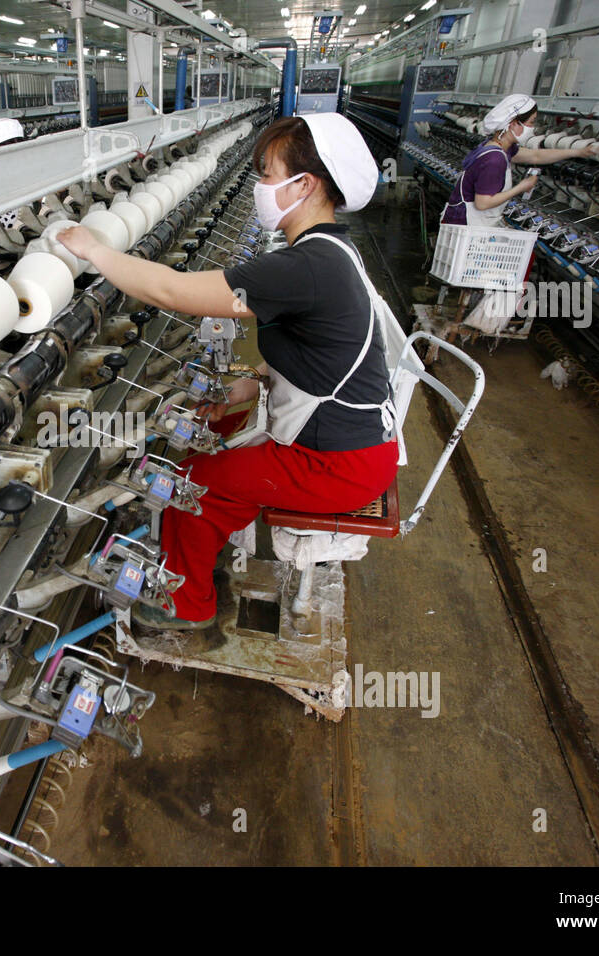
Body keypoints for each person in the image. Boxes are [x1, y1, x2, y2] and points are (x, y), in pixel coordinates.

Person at [57, 113, 398, 629]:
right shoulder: (329, 250)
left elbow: (171, 291)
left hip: (337, 465)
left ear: (304, 185)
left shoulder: (302, 267)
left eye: (266, 174)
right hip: (353, 446)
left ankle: (186, 604)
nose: (259, 185)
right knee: (218, 432)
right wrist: (255, 379)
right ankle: (203, 545)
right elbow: (324, 346)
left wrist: (94, 250)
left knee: (192, 486)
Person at [440, 92, 599, 228]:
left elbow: (536, 156)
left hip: (464, 222)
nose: (532, 128)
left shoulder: (497, 148)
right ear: (513, 124)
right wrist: (521, 187)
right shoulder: (494, 159)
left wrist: (577, 152)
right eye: (531, 122)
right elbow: (482, 203)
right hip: (466, 227)